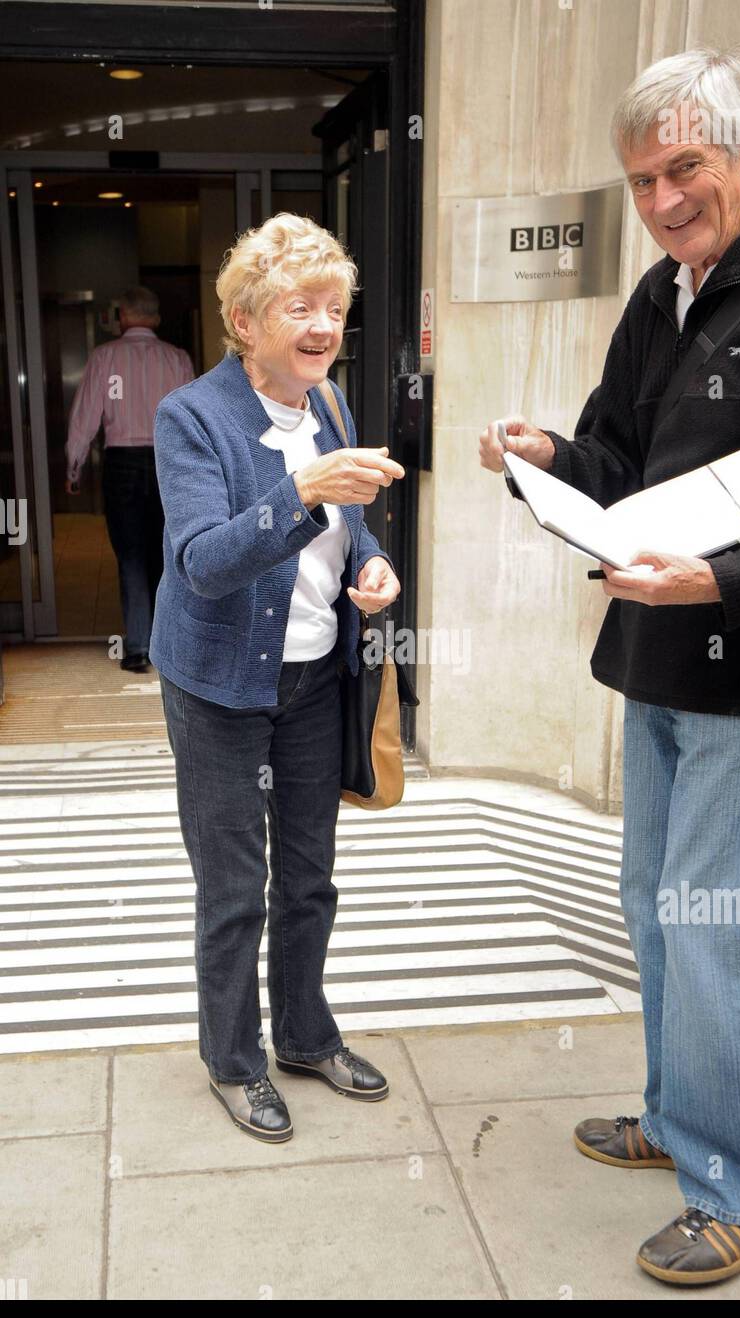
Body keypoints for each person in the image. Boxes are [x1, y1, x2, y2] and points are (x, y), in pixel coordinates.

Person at [479, 47, 740, 1285]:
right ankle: (682, 1119)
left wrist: (725, 580)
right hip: (655, 661)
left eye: (684, 167)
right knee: (655, 912)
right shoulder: (664, 292)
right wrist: (547, 459)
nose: (665, 199)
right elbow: (619, 463)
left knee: (717, 927)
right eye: (641, 180)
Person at [149, 213, 403, 1143]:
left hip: (309, 680)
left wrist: (370, 562)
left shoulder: (327, 403)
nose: (323, 326)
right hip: (220, 685)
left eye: (334, 308)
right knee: (234, 886)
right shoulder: (191, 416)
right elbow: (202, 563)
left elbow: (353, 522)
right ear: (245, 320)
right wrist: (300, 494)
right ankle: (234, 1060)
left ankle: (304, 1034)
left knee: (310, 878)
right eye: (300, 307)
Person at [65, 287, 195, 671]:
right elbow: (191, 419)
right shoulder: (178, 359)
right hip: (168, 462)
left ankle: (137, 648)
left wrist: (74, 467)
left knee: (131, 556)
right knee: (168, 553)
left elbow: (85, 416)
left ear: (123, 317)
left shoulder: (105, 357)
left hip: (121, 462)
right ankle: (167, 645)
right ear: (154, 319)